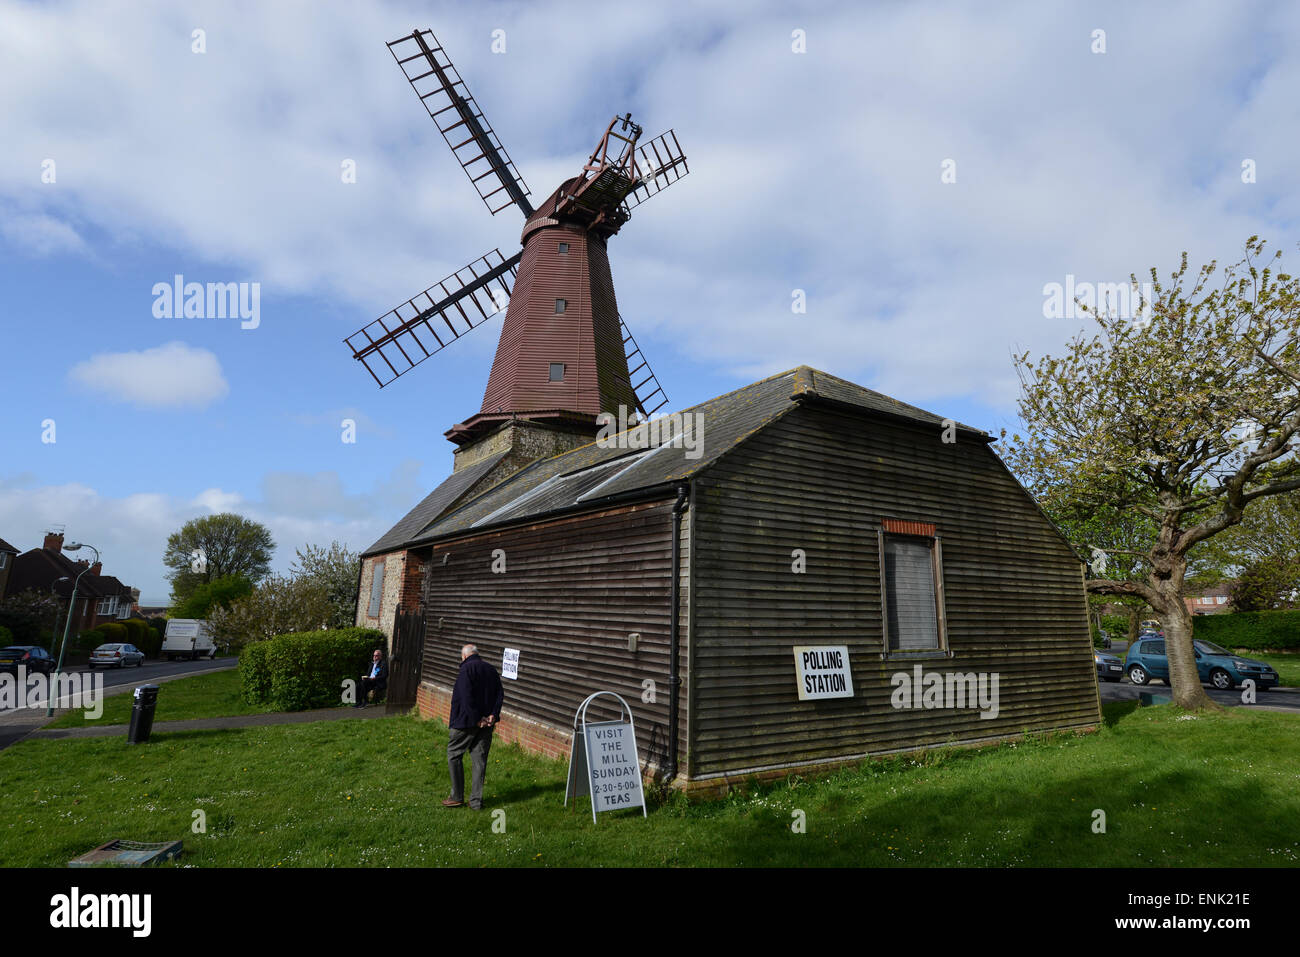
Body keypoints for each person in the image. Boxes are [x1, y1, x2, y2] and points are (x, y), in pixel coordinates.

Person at [443, 643, 504, 810]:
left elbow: (466, 697)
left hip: (465, 723)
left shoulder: (466, 670)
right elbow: (500, 694)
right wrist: (493, 715)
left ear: (464, 656)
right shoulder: (491, 669)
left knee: (454, 754)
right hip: (487, 723)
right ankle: (476, 802)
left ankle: (457, 797)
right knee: (479, 761)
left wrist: (477, 719)